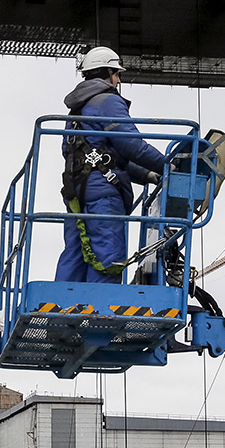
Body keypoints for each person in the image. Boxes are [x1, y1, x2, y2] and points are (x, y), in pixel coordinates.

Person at [56, 46, 169, 283]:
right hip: (104, 197)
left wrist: (148, 174)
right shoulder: (108, 100)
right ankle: (99, 313)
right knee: (107, 257)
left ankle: (63, 308)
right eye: (117, 74)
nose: (118, 80)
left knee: (75, 255)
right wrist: (167, 166)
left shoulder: (75, 111)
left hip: (76, 193)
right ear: (108, 72)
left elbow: (100, 155)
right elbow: (132, 146)